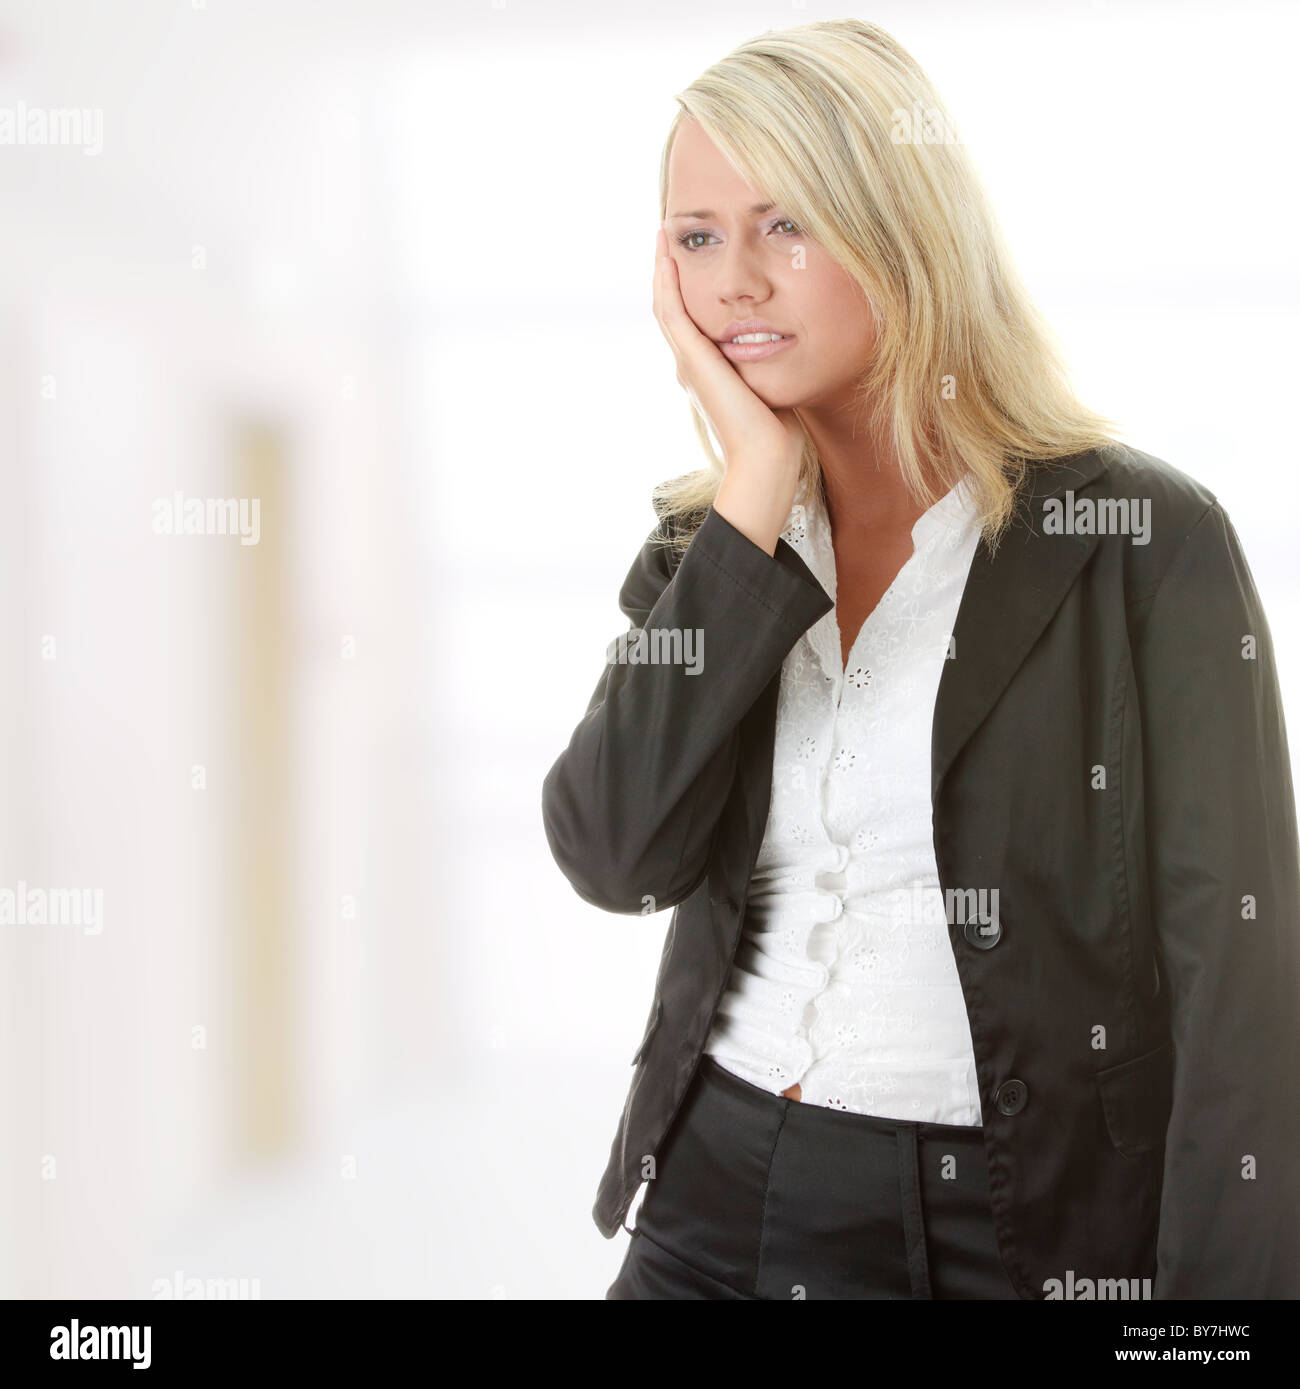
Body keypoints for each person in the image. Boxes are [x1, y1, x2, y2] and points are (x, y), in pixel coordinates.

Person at [541, 18, 1300, 1300]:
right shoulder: (706, 541)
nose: (732, 283)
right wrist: (750, 500)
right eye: (696, 236)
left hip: (1005, 1230)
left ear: (899, 228)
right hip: (710, 1195)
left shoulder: (1141, 537)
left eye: (785, 225)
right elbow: (616, 855)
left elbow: (1245, 989)